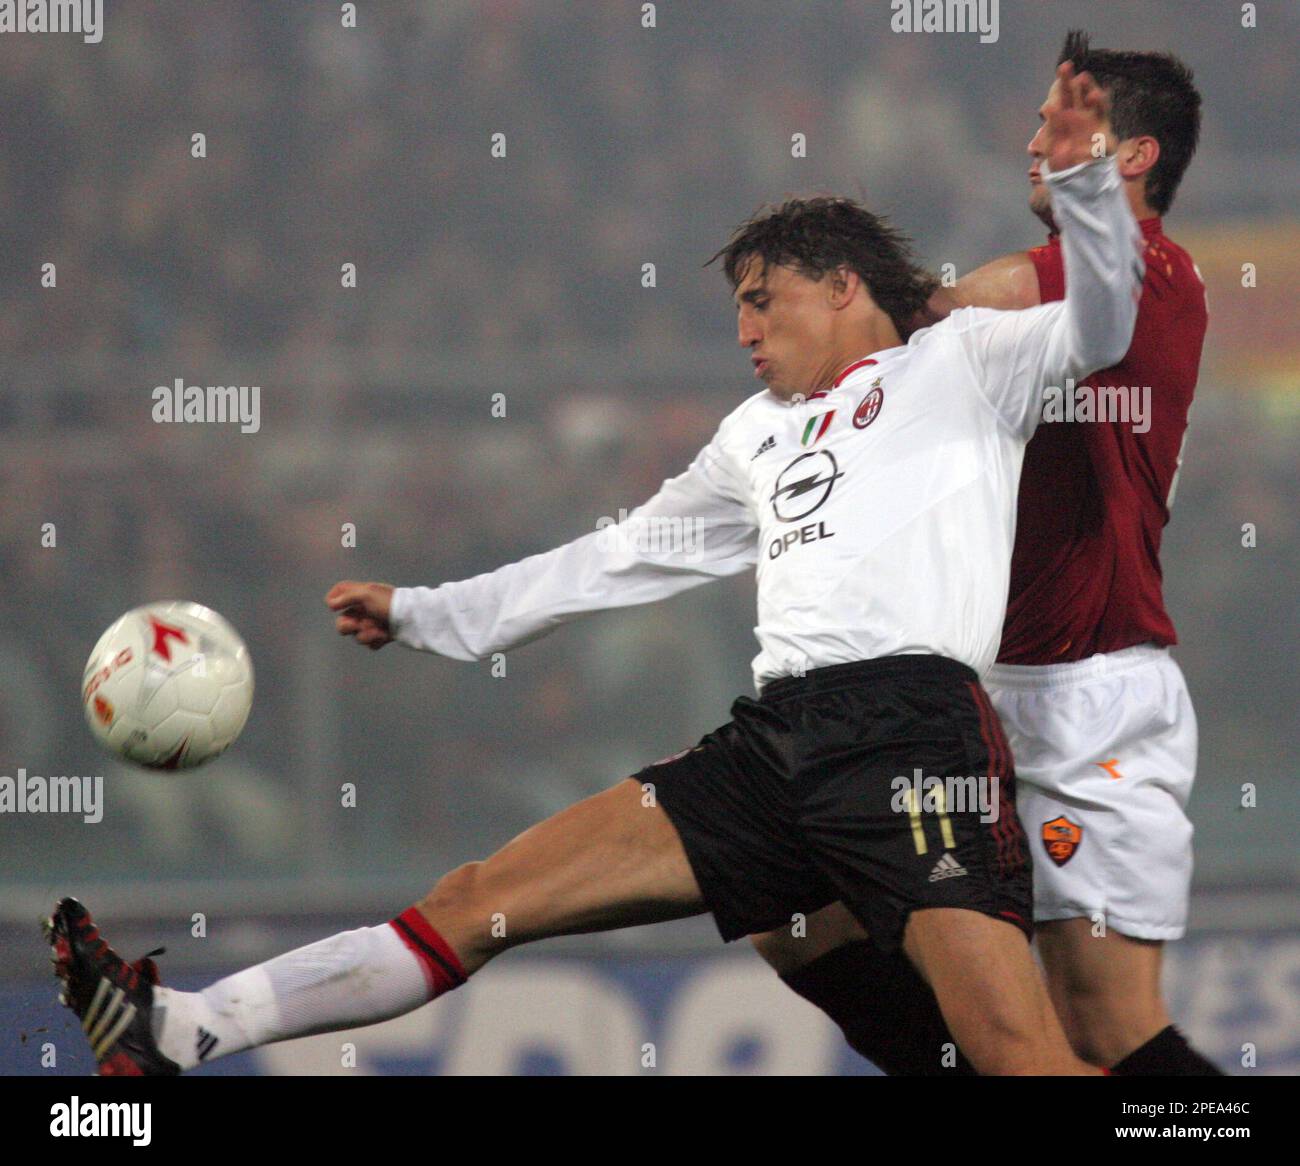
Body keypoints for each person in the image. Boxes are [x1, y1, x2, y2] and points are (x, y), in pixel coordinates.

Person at [47, 63, 1138, 1077]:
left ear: (844, 283)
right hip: (774, 743)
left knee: (1013, 1051)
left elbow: (1101, 321)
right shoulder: (754, 434)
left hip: (914, 730)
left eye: (763, 300)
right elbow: (614, 558)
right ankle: (188, 1025)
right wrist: (430, 611)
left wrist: (1086, 182)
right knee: (483, 897)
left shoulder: (962, 363)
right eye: (738, 311)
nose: (745, 331)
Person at [751, 31, 1221, 1076]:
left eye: (1060, 126)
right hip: (965, 699)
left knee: (1107, 1025)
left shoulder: (1133, 275)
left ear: (1128, 157)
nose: (1029, 144)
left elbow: (935, 312)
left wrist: (825, 274)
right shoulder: (1064, 286)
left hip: (1082, 693)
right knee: (789, 904)